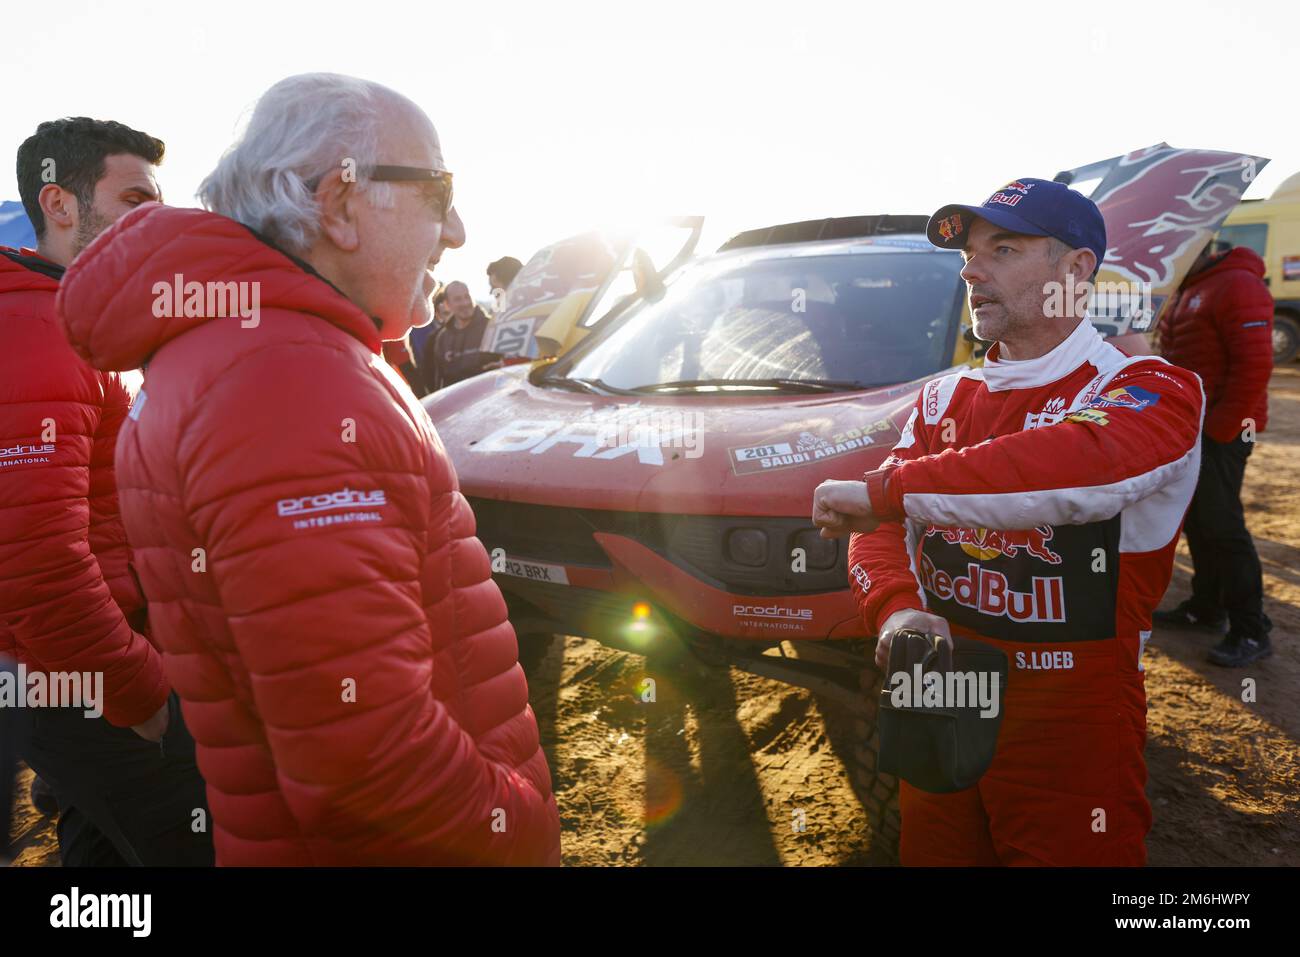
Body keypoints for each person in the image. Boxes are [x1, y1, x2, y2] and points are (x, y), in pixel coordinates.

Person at [58, 73, 561, 866]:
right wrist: (521, 831)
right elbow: (368, 767)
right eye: (439, 189)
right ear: (337, 202)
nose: (457, 228)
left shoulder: (244, 352)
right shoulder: (288, 378)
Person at [812, 178, 1204, 866]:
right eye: (968, 251)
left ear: (1074, 270)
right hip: (935, 686)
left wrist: (887, 489)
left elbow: (1080, 468)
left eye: (1004, 247)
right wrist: (898, 609)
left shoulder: (1151, 387)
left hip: (1068, 719)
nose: (970, 268)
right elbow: (878, 530)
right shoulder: (942, 395)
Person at [0, 117, 213, 865]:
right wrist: (140, 694)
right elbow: (34, 565)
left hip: (76, 670)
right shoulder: (34, 326)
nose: (156, 224)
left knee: (104, 860)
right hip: (84, 675)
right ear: (59, 204)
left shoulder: (66, 318)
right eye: (134, 200)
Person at [1154, 240, 1274, 666]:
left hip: (1222, 431)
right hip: (1195, 428)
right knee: (1200, 522)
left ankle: (1252, 629)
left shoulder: (1237, 284)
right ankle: (1206, 609)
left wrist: (1221, 429)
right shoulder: (1191, 285)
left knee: (1223, 526)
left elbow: (1256, 366)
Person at [422, 279, 492, 391]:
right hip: (460, 403)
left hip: (490, 399)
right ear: (447, 304)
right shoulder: (442, 338)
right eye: (458, 299)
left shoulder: (491, 328)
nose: (465, 303)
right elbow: (438, 382)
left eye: (467, 297)